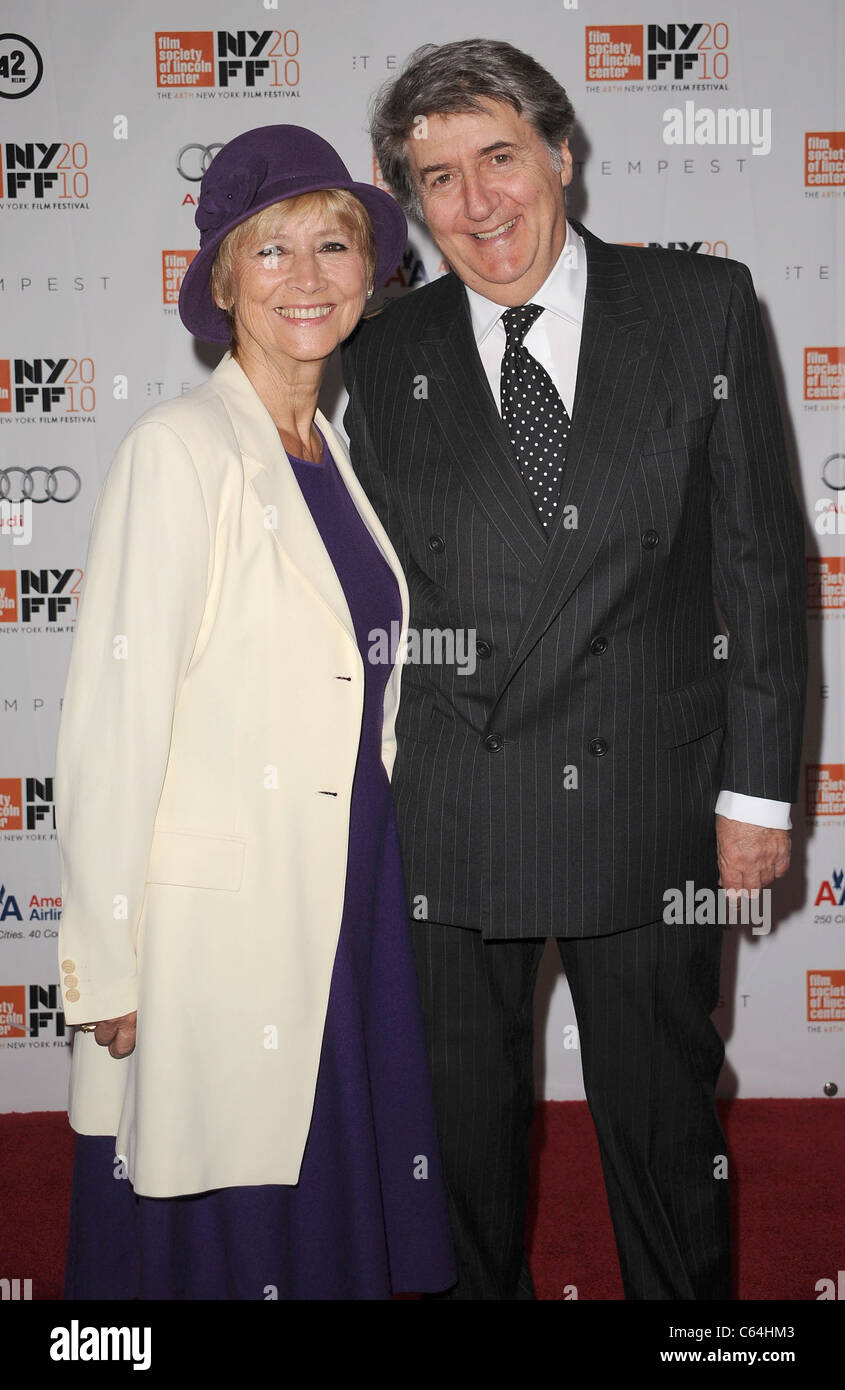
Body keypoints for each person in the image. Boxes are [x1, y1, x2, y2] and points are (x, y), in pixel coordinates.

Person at [342, 40, 808, 1299]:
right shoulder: (377, 354)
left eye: (497, 156)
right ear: (412, 203)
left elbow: (762, 564)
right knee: (461, 1160)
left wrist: (756, 797)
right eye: (436, 178)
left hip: (646, 800)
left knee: (666, 1139)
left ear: (560, 153)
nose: (477, 202)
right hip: (451, 807)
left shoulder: (699, 308)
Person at [54, 123, 456, 1300]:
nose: (307, 275)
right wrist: (106, 960)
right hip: (219, 926)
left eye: (333, 245)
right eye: (269, 250)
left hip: (345, 889)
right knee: (227, 1212)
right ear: (222, 283)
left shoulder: (328, 452)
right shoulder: (177, 452)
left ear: (366, 274)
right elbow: (110, 722)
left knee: (323, 1193)